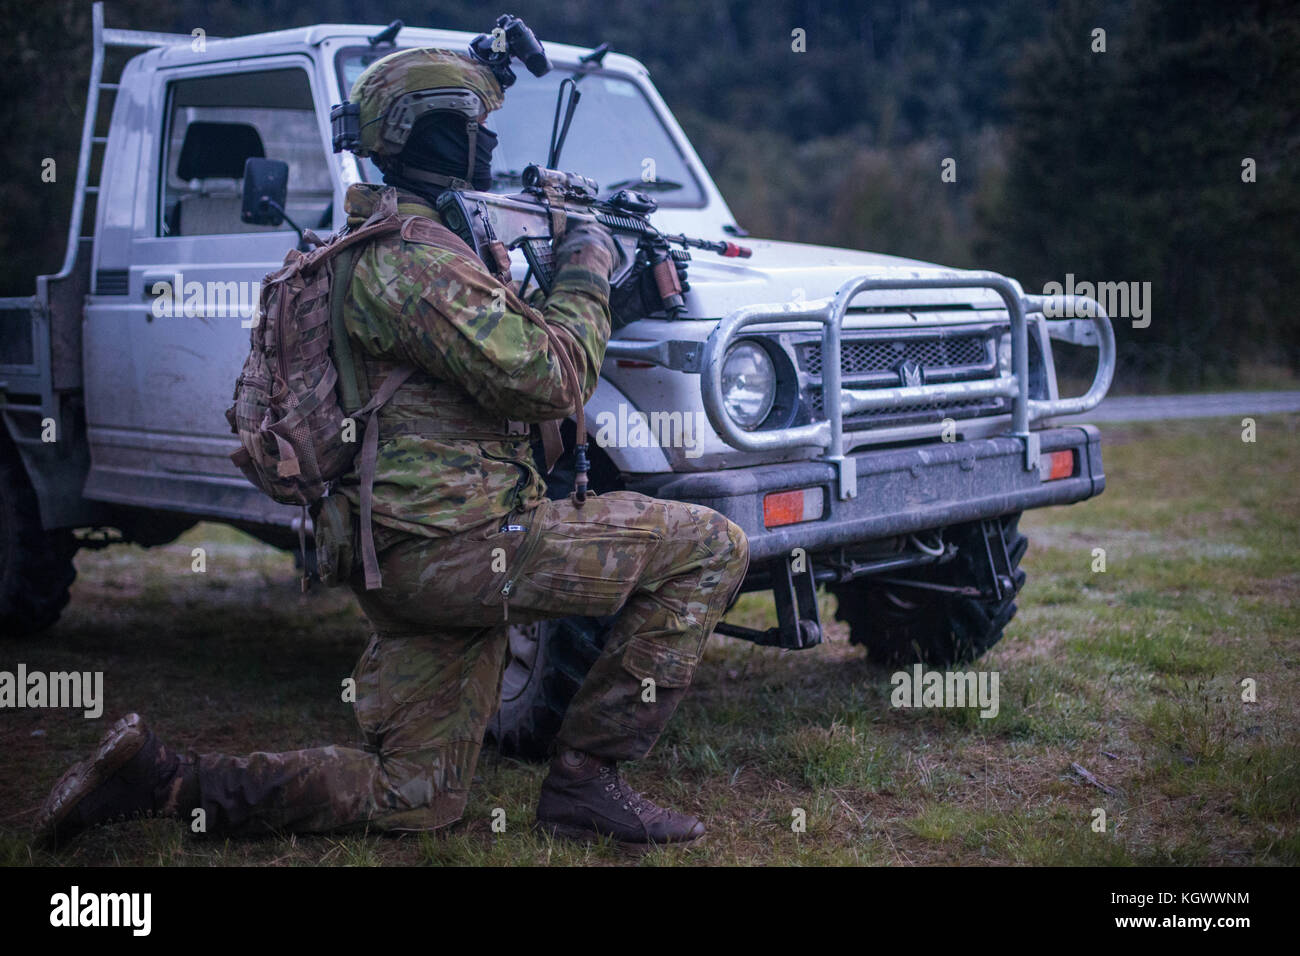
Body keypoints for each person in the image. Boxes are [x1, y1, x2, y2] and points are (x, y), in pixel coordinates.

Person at [37, 47, 748, 849]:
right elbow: (551, 378)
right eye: (474, 128)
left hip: (405, 556)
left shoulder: (399, 246)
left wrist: (542, 270)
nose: (486, 147)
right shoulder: (409, 265)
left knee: (412, 798)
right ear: (436, 134)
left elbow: (493, 361)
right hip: (465, 548)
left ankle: (164, 779)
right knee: (713, 547)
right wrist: (585, 269)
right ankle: (588, 780)